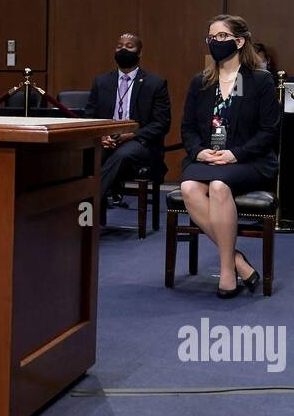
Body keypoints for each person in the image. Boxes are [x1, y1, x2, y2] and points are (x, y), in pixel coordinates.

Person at [179, 15, 280, 298]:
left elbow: (269, 131)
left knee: (219, 187)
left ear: (239, 41)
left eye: (222, 36)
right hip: (206, 158)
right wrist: (200, 151)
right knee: (188, 187)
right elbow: (187, 128)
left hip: (249, 160)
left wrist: (235, 154)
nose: (215, 42)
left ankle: (227, 271)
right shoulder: (201, 81)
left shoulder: (259, 81)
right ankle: (237, 261)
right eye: (211, 37)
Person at [83, 33, 171, 203]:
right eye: (119, 46)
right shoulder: (101, 82)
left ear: (139, 53)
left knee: (122, 154)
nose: (123, 49)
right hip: (107, 140)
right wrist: (101, 136)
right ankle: (95, 221)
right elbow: (89, 116)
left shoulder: (155, 84)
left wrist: (131, 135)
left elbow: (161, 124)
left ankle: (90, 201)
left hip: (141, 143)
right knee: (91, 155)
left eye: (129, 46)